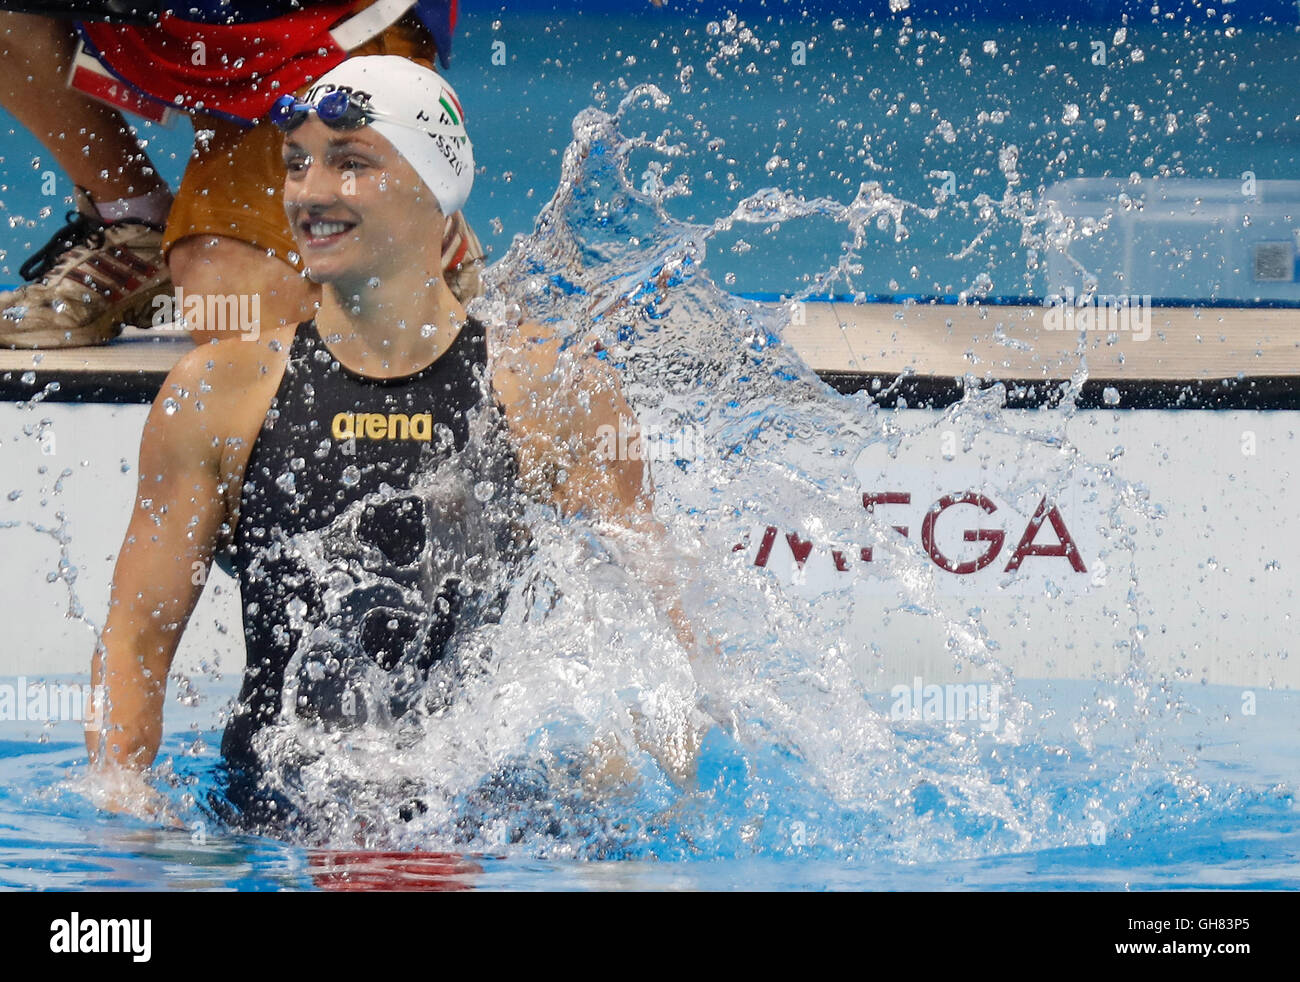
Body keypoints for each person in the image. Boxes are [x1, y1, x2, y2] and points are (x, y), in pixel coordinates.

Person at [84, 56, 709, 834]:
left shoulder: (548, 395)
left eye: (351, 164)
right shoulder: (218, 392)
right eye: (297, 165)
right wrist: (123, 810)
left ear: (436, 190)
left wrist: (659, 817)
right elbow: (135, 637)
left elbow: (661, 635)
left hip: (478, 828)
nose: (309, 193)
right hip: (272, 828)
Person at [0, 0, 483, 350]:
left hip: (325, 29)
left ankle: (412, 221)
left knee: (237, 315)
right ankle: (131, 221)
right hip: (186, 35)